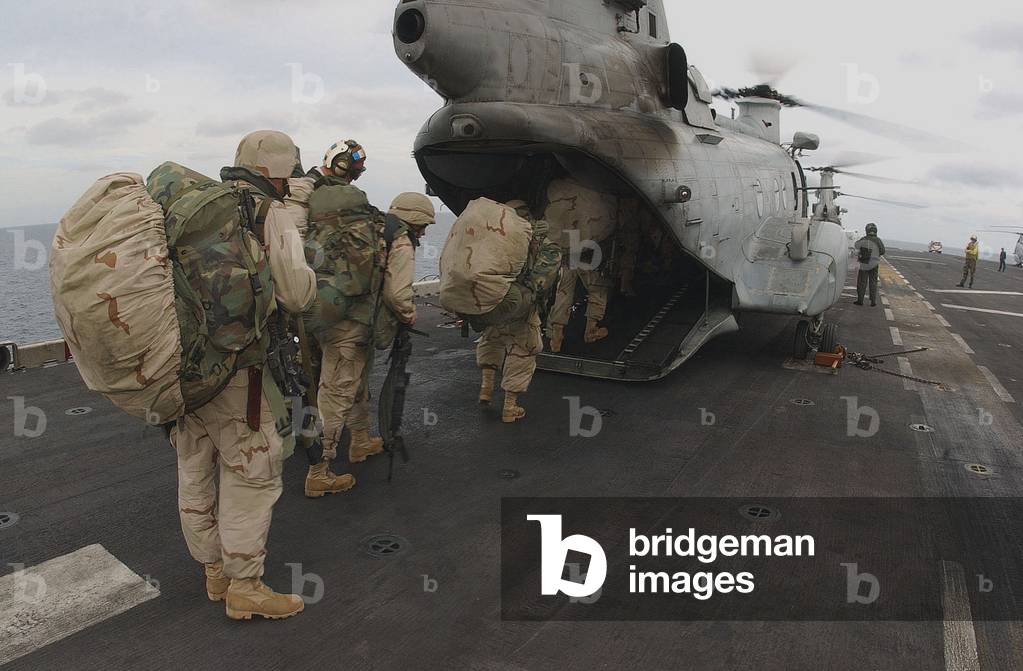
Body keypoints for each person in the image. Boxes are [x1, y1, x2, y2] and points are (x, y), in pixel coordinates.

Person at [173, 130, 316, 621]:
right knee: (252, 470)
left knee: (195, 468)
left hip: (184, 368)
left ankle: (213, 572)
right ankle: (245, 585)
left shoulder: (196, 207)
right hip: (239, 372)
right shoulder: (266, 212)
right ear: (279, 172)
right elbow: (297, 295)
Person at [301, 139, 388, 498]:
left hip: (318, 306)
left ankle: (361, 441)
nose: (355, 176)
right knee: (336, 389)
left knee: (353, 380)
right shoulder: (353, 209)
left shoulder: (308, 200)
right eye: (354, 169)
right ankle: (319, 470)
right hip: (350, 315)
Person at [477, 201, 562, 423]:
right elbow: (542, 283)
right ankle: (510, 407)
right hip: (521, 308)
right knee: (523, 350)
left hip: (494, 302)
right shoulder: (545, 244)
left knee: (491, 339)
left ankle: (485, 388)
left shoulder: (495, 237)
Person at [854, 223, 885, 307]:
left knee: (862, 282)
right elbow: (882, 251)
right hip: (874, 264)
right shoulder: (878, 240)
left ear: (867, 230)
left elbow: (856, 245)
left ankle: (860, 300)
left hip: (864, 263)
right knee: (873, 282)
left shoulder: (864, 239)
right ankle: (873, 301)